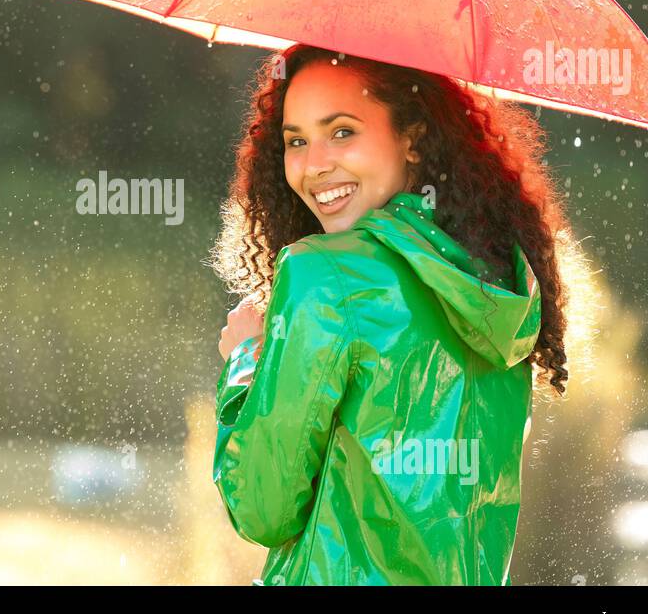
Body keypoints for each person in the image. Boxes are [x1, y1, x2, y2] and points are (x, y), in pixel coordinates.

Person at [207, 44, 590, 585]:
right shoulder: (500, 288)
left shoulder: (324, 277)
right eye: (296, 140)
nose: (314, 164)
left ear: (411, 140)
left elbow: (262, 507)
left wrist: (246, 362)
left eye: (342, 131)